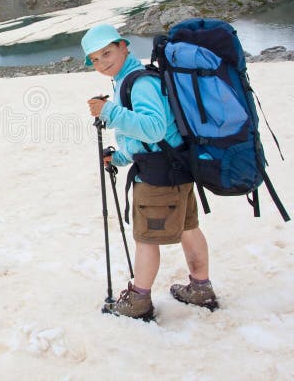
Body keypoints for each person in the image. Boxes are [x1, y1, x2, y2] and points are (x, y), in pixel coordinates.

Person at [82, 23, 217, 319]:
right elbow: (144, 136)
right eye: (94, 59)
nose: (102, 62)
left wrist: (109, 113)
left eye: (107, 52)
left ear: (123, 46)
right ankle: (201, 287)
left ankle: (139, 301)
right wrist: (119, 158)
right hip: (176, 170)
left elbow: (154, 129)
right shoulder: (128, 79)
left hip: (158, 178)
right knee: (187, 228)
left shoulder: (139, 83)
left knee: (145, 239)